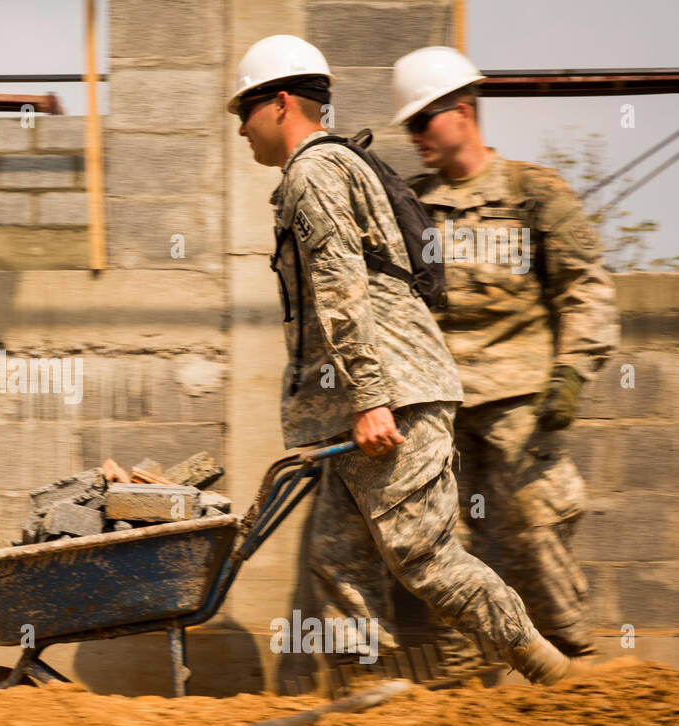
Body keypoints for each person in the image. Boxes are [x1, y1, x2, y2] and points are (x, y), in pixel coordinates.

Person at [227, 34, 582, 685]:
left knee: (424, 555)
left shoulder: (314, 174)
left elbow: (341, 286)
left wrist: (368, 397)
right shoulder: (338, 166)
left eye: (243, 110)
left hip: (389, 402)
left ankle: (556, 675)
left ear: (280, 103)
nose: (240, 128)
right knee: (338, 560)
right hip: (370, 404)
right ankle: (366, 693)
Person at [390, 46, 619, 670]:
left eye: (424, 121)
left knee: (535, 542)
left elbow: (586, 288)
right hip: (438, 414)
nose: (415, 136)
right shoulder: (409, 205)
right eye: (408, 125)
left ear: (462, 112)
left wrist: (572, 370)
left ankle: (579, 682)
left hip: (522, 411)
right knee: (448, 557)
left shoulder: (532, 193)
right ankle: (469, 703)